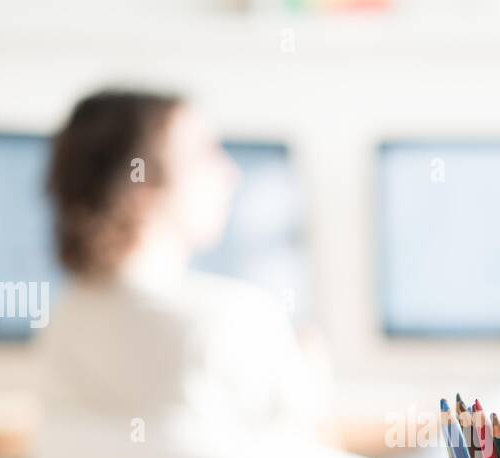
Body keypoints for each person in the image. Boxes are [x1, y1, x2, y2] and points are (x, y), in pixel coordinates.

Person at [43, 90, 319, 436]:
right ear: (140, 183)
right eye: (206, 153)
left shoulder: (64, 323)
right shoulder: (236, 321)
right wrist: (311, 388)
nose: (230, 173)